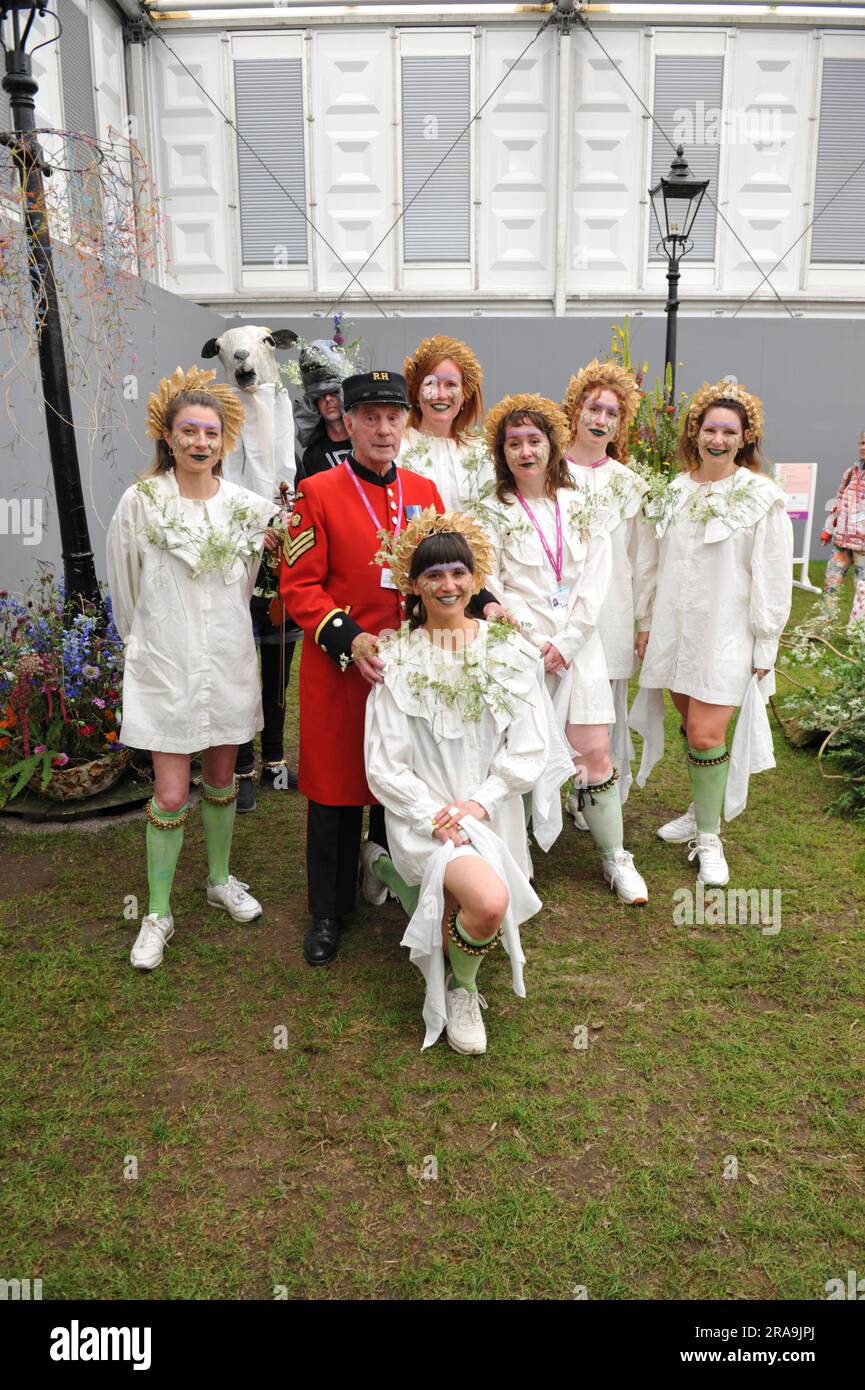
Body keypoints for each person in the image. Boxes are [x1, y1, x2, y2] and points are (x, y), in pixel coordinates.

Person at [363, 510, 572, 1055]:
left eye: (458, 572)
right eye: (433, 575)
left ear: (477, 579)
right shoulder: (399, 659)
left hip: (488, 813)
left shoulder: (508, 651)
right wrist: (432, 815)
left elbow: (529, 744)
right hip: (423, 817)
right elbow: (384, 761)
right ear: (414, 584)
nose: (447, 585)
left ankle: (380, 867)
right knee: (487, 905)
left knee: (470, 911)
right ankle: (462, 988)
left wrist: (479, 804)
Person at [106, 366, 278, 971]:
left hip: (227, 659)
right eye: (189, 431)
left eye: (211, 432)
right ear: (168, 435)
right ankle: (157, 912)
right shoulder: (142, 502)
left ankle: (219, 878)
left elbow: (248, 584)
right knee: (171, 789)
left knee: (224, 774)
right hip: (165, 662)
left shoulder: (245, 510)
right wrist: (146, 643)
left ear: (223, 439)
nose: (200, 443)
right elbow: (124, 587)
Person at [279, 371, 445, 968]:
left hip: (410, 670)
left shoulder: (426, 491)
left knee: (401, 778)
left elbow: (445, 570)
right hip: (341, 670)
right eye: (369, 417)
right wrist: (352, 640)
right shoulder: (317, 492)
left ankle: (391, 876)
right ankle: (328, 909)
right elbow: (299, 587)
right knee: (335, 789)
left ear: (406, 423)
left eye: (392, 417)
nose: (382, 428)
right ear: (346, 423)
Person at [483, 393, 649, 905]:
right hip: (520, 648)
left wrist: (570, 641)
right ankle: (514, 855)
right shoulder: (490, 511)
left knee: (594, 750)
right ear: (502, 452)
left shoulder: (580, 504)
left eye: (534, 440)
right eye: (514, 443)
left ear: (553, 445)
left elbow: (596, 580)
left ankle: (615, 857)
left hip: (580, 646)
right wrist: (536, 642)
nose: (525, 452)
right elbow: (491, 584)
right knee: (516, 750)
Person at [633, 379, 794, 884]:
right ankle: (700, 807)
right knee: (693, 728)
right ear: (694, 433)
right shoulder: (675, 492)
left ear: (745, 437)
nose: (718, 440)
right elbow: (654, 564)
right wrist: (645, 622)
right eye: (710, 429)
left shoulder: (761, 497)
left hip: (727, 632)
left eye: (729, 431)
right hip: (677, 633)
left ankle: (709, 840)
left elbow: (772, 572)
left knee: (706, 734)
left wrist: (766, 640)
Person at [560, 358, 655, 815]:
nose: (600, 421)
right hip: (557, 614)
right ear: (575, 410)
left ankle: (600, 798)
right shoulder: (547, 471)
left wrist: (644, 621)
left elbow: (642, 560)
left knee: (607, 710)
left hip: (611, 615)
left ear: (621, 425)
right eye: (594, 409)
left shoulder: (629, 485)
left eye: (612, 414)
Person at [398, 335, 494, 513]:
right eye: (431, 384)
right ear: (417, 392)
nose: (441, 394)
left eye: (450, 385)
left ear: (464, 394)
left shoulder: (481, 453)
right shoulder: (396, 448)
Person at [819, 429, 865, 634]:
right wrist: (828, 529)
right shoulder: (850, 472)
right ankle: (824, 625)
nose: (863, 447)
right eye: (862, 443)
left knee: (862, 590)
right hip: (842, 542)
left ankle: (858, 632)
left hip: (863, 547)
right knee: (831, 582)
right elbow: (838, 501)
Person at [295, 340, 354, 480]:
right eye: (320, 395)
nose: (328, 399)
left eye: (334, 392)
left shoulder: (367, 443)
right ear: (314, 403)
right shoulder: (312, 456)